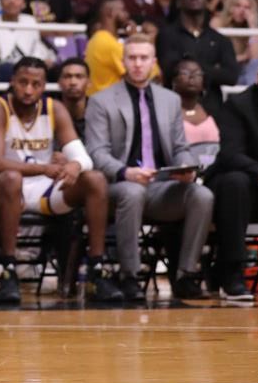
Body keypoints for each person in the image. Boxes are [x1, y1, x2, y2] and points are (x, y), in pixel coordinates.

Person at [0, 57, 122, 305]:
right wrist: (43, 167)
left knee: (95, 179)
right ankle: (8, 269)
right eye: (23, 82)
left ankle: (97, 268)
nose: (28, 89)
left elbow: (82, 156)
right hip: (8, 188)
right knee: (12, 178)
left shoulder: (54, 108)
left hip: (45, 189)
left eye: (35, 84)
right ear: (12, 82)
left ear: (44, 85)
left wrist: (74, 165)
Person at [86, 34, 215, 304]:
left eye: (143, 58)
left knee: (202, 195)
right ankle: (130, 276)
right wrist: (125, 172)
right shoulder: (101, 100)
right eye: (132, 57)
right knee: (133, 192)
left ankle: (185, 275)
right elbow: (97, 154)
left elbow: (180, 145)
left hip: (161, 185)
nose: (137, 64)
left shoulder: (170, 99)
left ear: (153, 63)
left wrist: (185, 166)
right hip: (117, 186)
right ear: (123, 62)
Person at [209, 51, 258, 304]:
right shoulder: (239, 105)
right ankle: (232, 274)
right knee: (236, 181)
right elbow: (229, 154)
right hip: (243, 191)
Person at [156, 0, 238, 114]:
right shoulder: (166, 35)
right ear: (179, 1)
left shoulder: (220, 39)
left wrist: (187, 64)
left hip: (211, 110)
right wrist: (212, 70)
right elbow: (169, 69)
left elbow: (231, 76)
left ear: (207, 1)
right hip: (174, 108)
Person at [171, 58, 222, 175]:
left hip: (214, 171)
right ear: (174, 81)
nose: (191, 77)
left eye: (197, 74)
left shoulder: (213, 110)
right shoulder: (168, 112)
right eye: (185, 73)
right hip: (182, 172)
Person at [58, 57, 91, 139]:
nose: (73, 82)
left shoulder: (99, 113)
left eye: (79, 77)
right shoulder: (50, 113)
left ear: (89, 83)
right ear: (59, 83)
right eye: (67, 77)